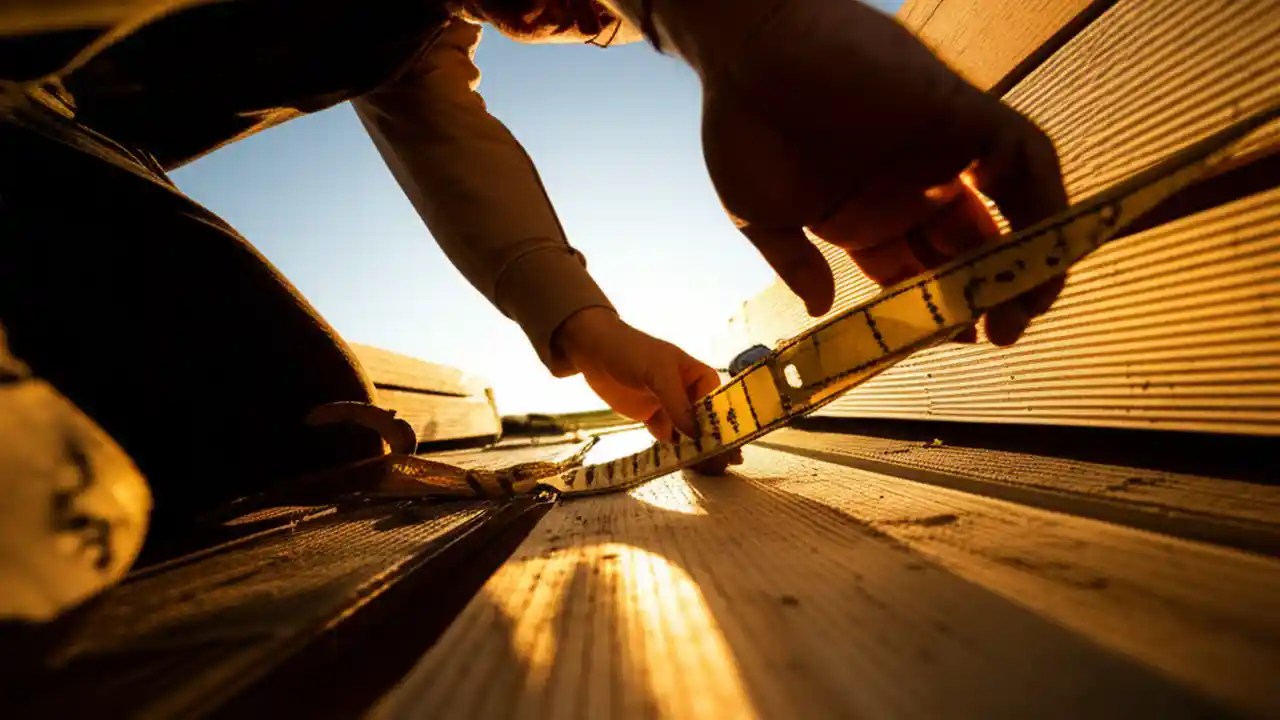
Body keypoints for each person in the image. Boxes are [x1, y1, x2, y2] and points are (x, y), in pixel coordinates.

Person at [0, 0, 1066, 618]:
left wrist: (588, 331)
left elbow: (443, 135)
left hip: (42, 136)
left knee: (293, 428)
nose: (581, 16)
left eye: (606, 22)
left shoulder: (408, 25)